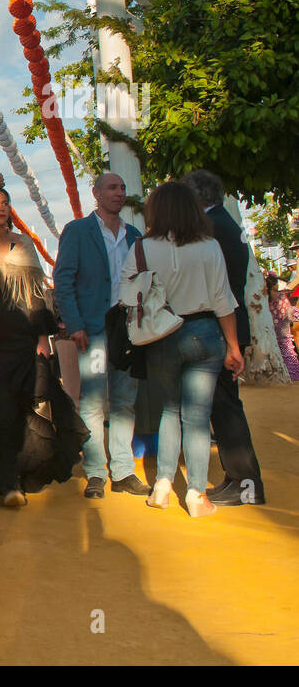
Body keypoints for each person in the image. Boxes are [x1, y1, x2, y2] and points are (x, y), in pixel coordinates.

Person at [122, 181, 244, 516]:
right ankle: (195, 494)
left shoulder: (142, 247)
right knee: (197, 416)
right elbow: (223, 301)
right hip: (204, 332)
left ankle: (162, 484)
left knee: (168, 411)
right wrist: (233, 346)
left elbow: (126, 292)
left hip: (161, 333)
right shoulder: (208, 246)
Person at [0, 184, 83, 505]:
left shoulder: (22, 243)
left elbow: (36, 295)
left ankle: (13, 482)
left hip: (21, 335)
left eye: (4, 204)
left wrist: (42, 340)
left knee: (22, 408)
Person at [52, 172, 147, 499]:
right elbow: (63, 280)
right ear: (96, 193)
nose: (119, 193)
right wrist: (74, 324)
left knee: (123, 403)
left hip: (128, 333)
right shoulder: (77, 231)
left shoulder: (134, 235)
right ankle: (95, 472)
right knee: (91, 403)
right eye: (112, 187)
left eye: (122, 187)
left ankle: (122, 471)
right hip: (91, 331)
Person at [183, 169, 267, 505]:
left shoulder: (213, 228)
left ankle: (246, 484)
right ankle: (237, 479)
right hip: (229, 325)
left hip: (222, 327)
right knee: (224, 406)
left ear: (197, 196)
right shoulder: (223, 223)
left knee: (226, 408)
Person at [267, 274, 299, 380]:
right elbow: (290, 314)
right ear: (276, 284)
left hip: (270, 338)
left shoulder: (265, 298)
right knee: (289, 359)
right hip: (284, 336)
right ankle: (294, 379)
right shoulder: (281, 296)